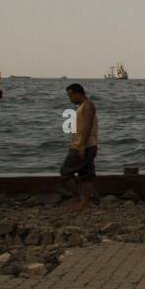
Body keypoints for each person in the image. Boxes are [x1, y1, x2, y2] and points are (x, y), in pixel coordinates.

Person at [60, 83, 98, 212]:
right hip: (87, 145)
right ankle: (85, 202)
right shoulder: (83, 106)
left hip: (84, 146)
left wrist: (81, 145)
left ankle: (77, 199)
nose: (70, 98)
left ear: (78, 94)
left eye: (71, 96)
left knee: (65, 172)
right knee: (86, 174)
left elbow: (88, 125)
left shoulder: (88, 105)